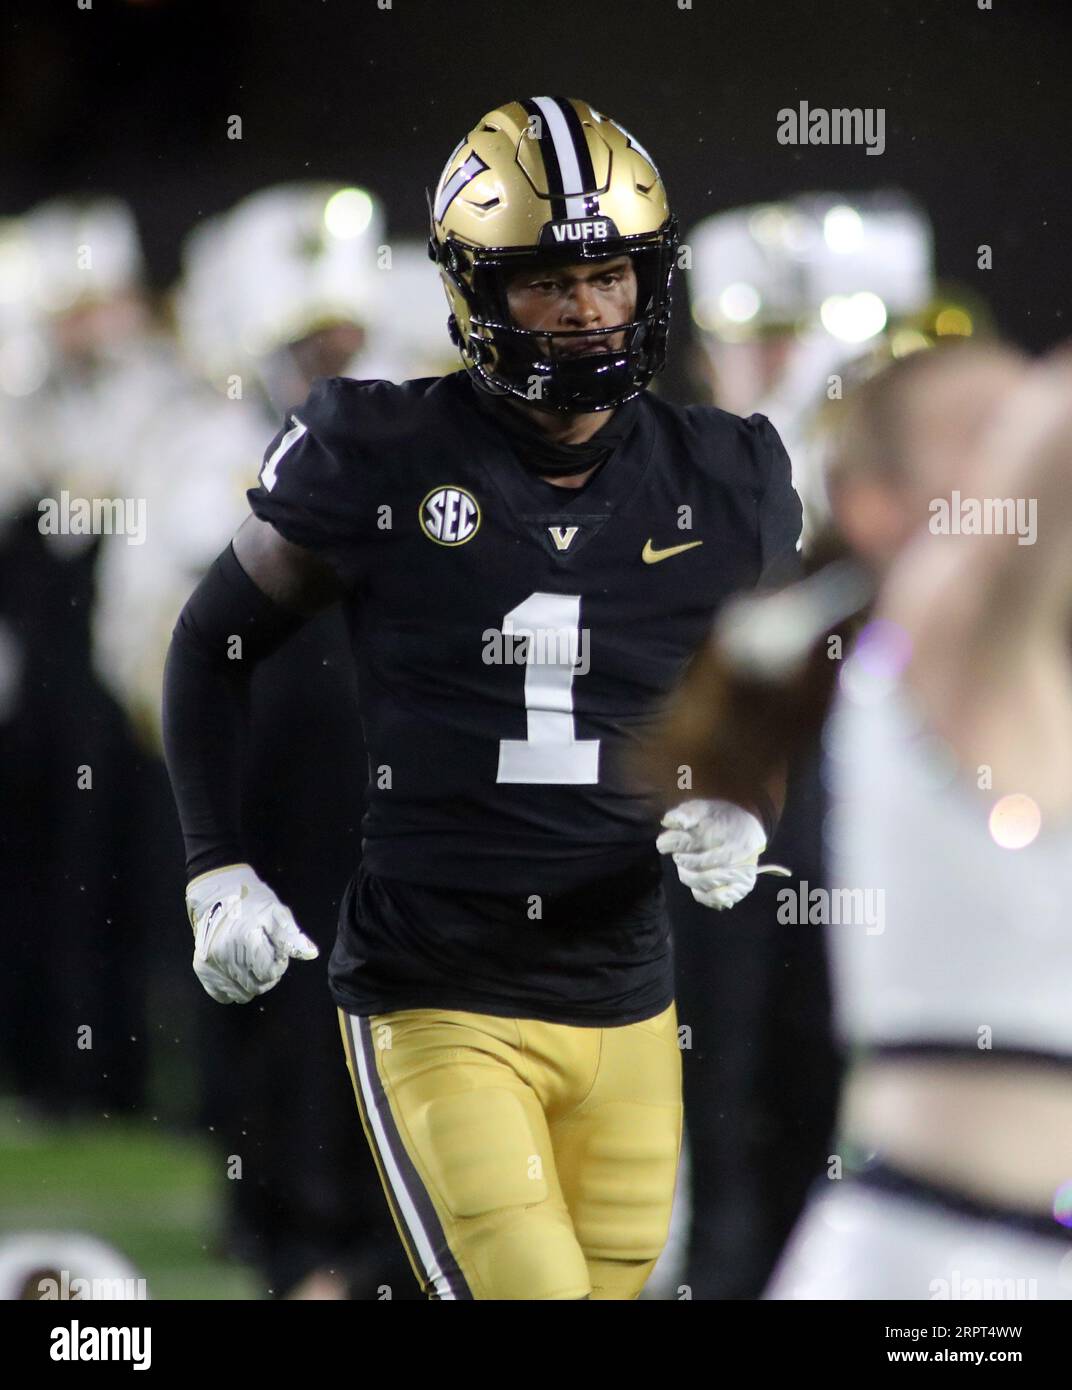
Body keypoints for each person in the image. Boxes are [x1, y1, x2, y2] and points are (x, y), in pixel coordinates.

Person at [161, 96, 802, 1300]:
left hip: (626, 994)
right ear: (473, 291)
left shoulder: (728, 472)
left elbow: (778, 676)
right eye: (544, 280)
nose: (582, 308)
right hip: (435, 987)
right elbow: (210, 645)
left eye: (607, 273)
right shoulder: (375, 449)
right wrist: (215, 864)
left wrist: (748, 799)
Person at [646, 341, 1072, 1298]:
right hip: (944, 1274)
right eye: (985, 437)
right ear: (878, 508)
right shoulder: (932, 646)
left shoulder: (1035, 686)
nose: (1026, 459)